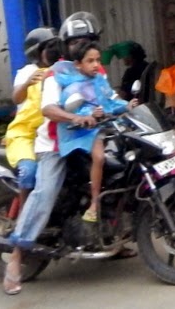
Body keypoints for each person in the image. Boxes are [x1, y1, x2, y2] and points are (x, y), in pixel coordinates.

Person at [3, 12, 103, 296]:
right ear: (66, 45)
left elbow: (105, 96)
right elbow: (47, 109)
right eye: (76, 42)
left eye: (88, 41)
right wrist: (73, 119)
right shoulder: (55, 73)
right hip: (55, 141)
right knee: (44, 193)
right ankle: (16, 257)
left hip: (86, 135)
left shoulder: (94, 67)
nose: (82, 46)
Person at [53, 40, 139, 223]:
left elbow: (110, 101)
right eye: (90, 61)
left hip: (100, 127)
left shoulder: (99, 81)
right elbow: (71, 110)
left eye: (98, 60)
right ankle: (94, 202)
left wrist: (128, 105)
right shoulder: (73, 87)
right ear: (78, 64)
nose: (96, 65)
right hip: (79, 132)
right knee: (99, 157)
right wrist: (89, 114)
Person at [3, 27, 61, 208]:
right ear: (37, 52)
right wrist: (28, 83)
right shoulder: (28, 72)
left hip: (51, 134)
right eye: (48, 47)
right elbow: (16, 98)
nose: (53, 51)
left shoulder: (59, 70)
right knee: (29, 171)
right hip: (26, 135)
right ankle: (26, 215)